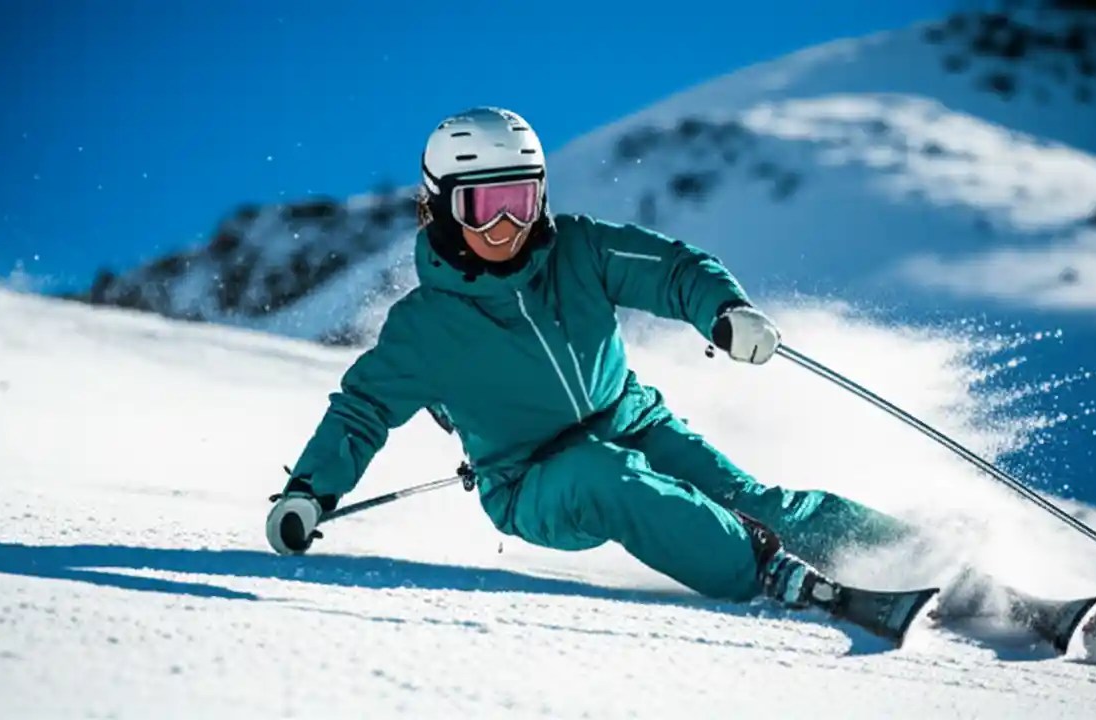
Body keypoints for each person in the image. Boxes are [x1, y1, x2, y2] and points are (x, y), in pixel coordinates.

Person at [266, 107, 907, 609]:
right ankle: (763, 572)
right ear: (439, 208)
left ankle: (916, 556)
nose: (503, 228)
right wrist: (307, 494)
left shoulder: (579, 249)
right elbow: (361, 412)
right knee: (608, 477)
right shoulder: (425, 327)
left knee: (756, 503)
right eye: (482, 208)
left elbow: (674, 270)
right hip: (529, 481)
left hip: (635, 421)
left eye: (517, 201)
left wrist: (724, 310)